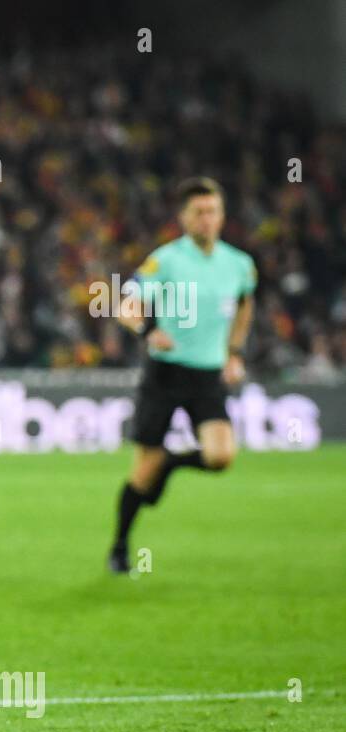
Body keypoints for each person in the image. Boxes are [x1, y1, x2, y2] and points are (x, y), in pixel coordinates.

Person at [110, 177, 256, 573]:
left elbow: (245, 305)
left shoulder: (240, 265)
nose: (206, 219)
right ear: (184, 218)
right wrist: (146, 329)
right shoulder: (165, 260)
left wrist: (234, 351)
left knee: (221, 456)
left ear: (222, 216)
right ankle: (120, 545)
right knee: (143, 474)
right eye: (198, 213)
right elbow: (125, 307)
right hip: (165, 373)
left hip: (208, 374)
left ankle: (174, 462)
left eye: (213, 211)